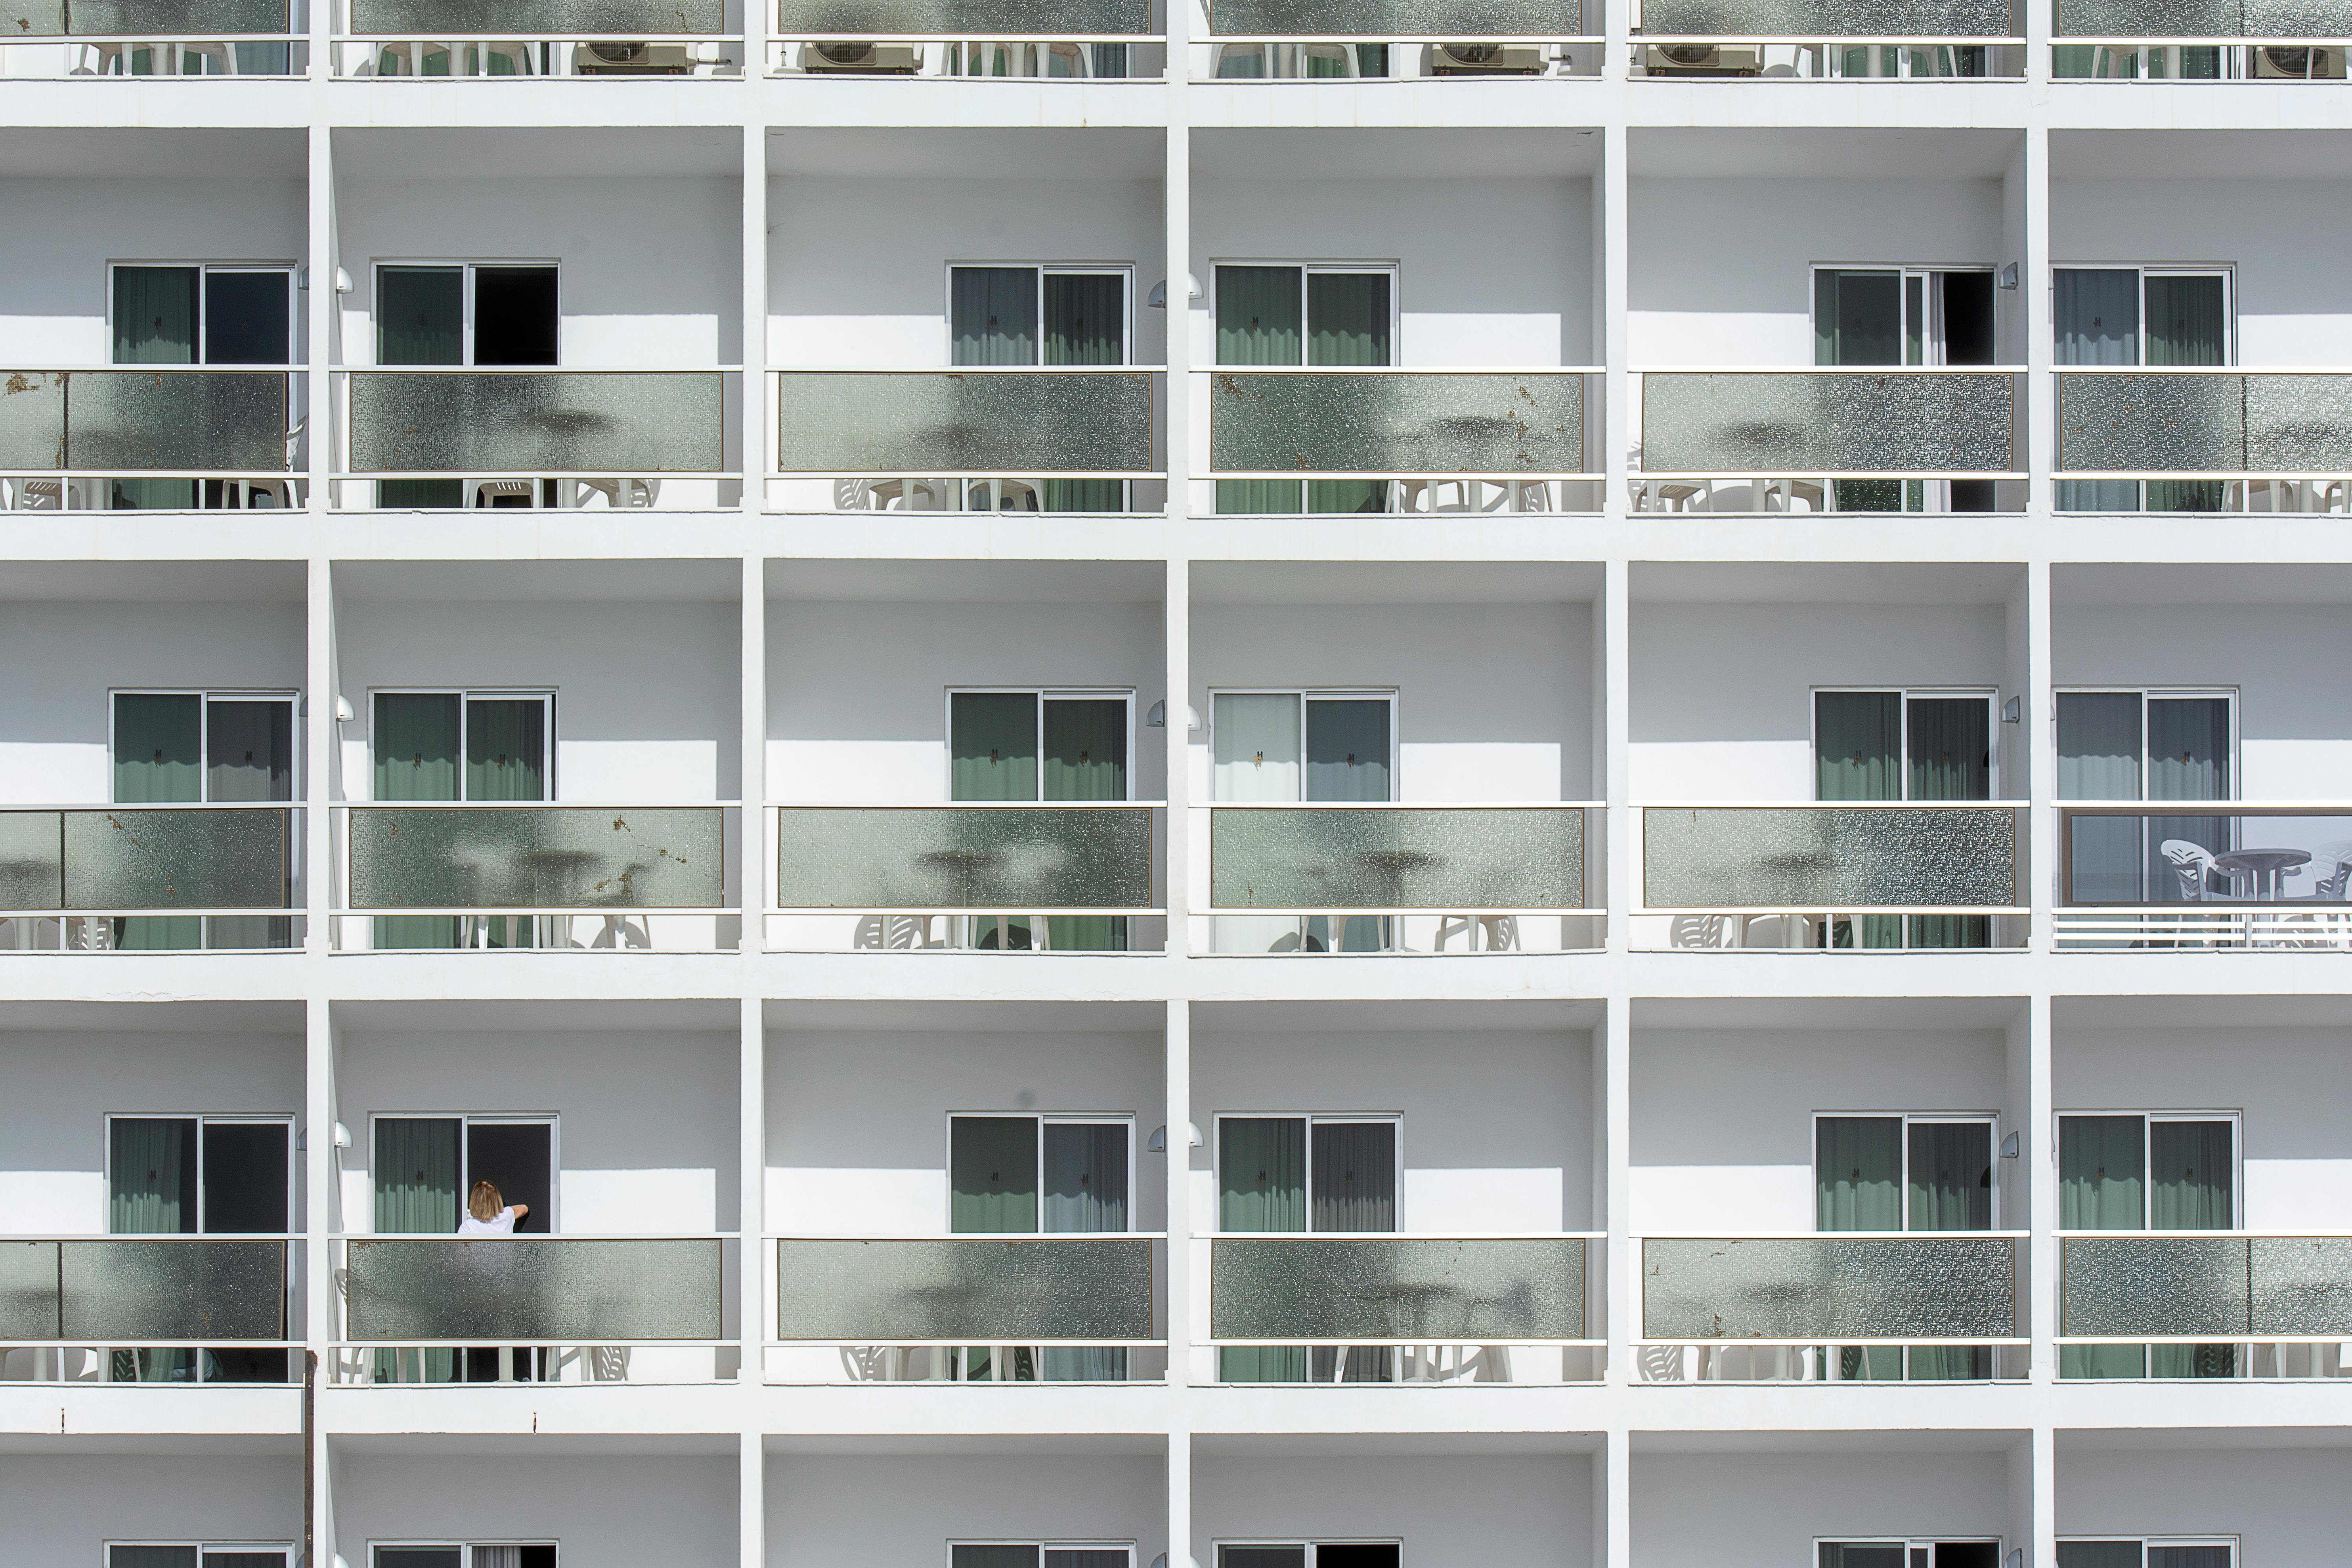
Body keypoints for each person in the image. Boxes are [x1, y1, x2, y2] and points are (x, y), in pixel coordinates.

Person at [457, 1178, 528, 1235]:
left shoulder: (468, 1226)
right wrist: (500, 1209)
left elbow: (460, 1250)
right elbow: (524, 1209)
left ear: (474, 1202)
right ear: (497, 1200)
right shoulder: (506, 1215)